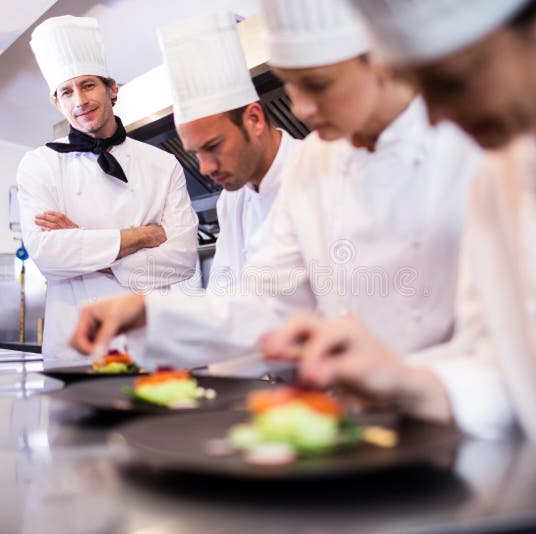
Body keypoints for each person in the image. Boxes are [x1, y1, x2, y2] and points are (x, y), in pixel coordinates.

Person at [264, 0, 536, 478]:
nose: (437, 118)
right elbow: (498, 360)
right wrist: (407, 382)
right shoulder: (503, 169)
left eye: (454, 81)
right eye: (419, 85)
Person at [68, 0, 481, 377]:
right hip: (351, 410)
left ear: (379, 63)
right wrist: (147, 313)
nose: (300, 108)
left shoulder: (465, 141)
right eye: (292, 86)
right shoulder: (317, 159)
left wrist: (409, 381)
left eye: (317, 84)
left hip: (459, 414)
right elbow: (269, 300)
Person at [17, 16, 199, 364]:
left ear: (112, 88)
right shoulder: (39, 164)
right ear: (56, 103)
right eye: (66, 92)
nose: (79, 100)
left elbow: (183, 260)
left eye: (88, 86)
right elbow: (48, 255)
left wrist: (84, 244)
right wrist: (143, 236)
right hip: (74, 350)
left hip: (148, 346)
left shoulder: (163, 164)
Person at [158, 11, 301, 293]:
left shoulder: (315, 175)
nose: (205, 168)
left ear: (255, 119)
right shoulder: (231, 200)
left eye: (212, 146)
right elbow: (223, 296)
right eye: (195, 153)